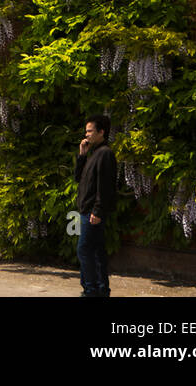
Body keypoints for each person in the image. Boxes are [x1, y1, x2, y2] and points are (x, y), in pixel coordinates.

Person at [75, 114, 116, 297]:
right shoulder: (93, 154)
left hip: (92, 212)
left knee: (84, 249)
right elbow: (78, 178)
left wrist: (97, 210)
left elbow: (105, 186)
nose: (87, 135)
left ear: (102, 132)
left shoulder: (105, 153)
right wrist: (82, 156)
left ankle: (90, 290)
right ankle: (101, 290)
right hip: (87, 211)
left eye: (90, 131)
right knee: (96, 252)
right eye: (86, 131)